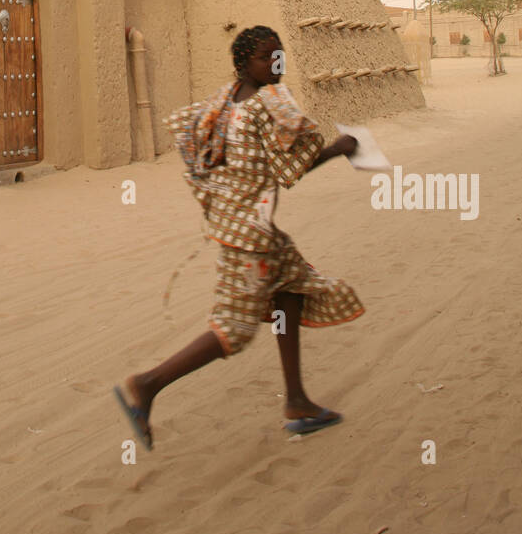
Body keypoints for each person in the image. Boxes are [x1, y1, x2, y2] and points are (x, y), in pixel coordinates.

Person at [114, 25, 364, 449]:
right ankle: (148, 384)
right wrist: (340, 148)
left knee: (290, 290)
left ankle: (299, 402)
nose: (277, 63)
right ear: (244, 63)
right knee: (235, 329)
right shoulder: (267, 103)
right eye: (268, 57)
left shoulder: (226, 100)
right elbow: (290, 172)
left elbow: (196, 147)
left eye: (279, 55)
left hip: (241, 224)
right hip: (250, 237)